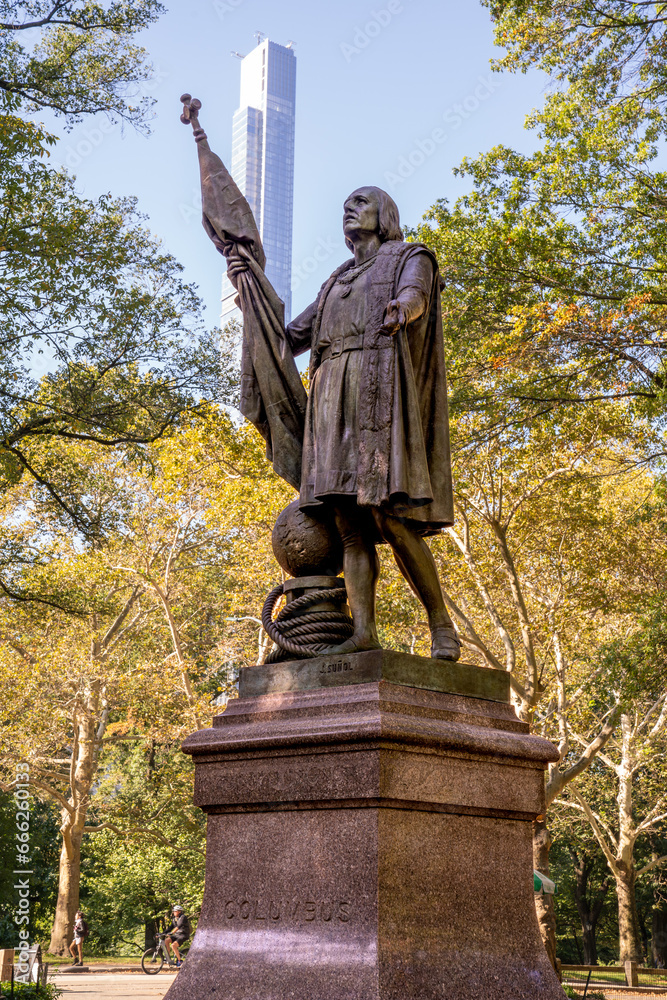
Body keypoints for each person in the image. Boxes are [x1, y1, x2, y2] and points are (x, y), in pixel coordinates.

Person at [228, 186, 461, 660]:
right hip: (330, 401)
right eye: (344, 207)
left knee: (391, 518)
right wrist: (250, 296)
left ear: (384, 214)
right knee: (349, 526)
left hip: (377, 396)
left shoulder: (410, 256)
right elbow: (289, 338)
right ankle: (363, 632)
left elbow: (415, 293)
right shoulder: (335, 281)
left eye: (360, 203)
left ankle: (441, 625)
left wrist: (403, 309)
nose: (349, 210)